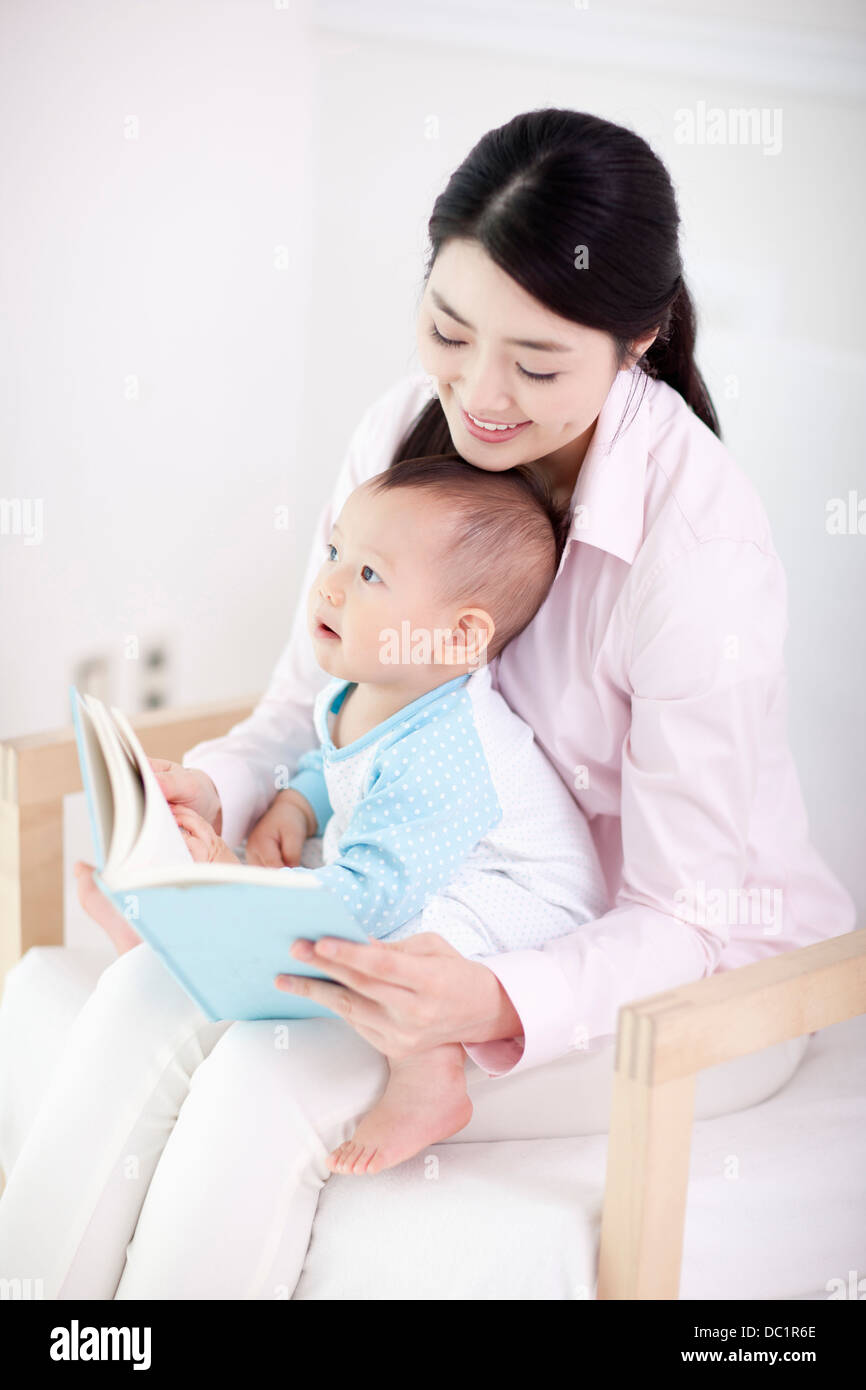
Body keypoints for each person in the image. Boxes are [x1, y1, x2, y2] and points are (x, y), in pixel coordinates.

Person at [0, 108, 853, 1300]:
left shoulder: (695, 549)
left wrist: (491, 998)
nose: (478, 393)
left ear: (639, 342)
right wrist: (220, 793)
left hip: (690, 991)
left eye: (538, 363)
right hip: (438, 911)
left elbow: (689, 916)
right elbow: (306, 702)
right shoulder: (404, 435)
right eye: (448, 331)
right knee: (147, 987)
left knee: (268, 1076)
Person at [167, 458, 608, 1175]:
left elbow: (375, 892)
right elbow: (338, 758)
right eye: (337, 551)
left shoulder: (448, 750)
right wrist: (297, 799)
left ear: (461, 637)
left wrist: (250, 895)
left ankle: (429, 1079)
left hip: (532, 899)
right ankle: (181, 930)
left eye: (369, 576)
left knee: (416, 937)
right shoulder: (366, 683)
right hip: (425, 851)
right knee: (317, 859)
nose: (331, 582)